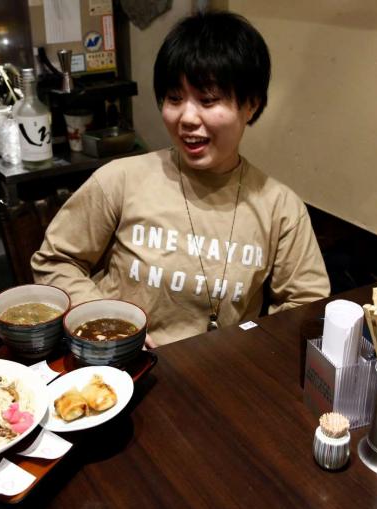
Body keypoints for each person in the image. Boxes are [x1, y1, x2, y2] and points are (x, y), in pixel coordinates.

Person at [32, 10, 330, 347]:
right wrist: (111, 322)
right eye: (174, 98)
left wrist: (250, 351)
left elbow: (307, 304)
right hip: (119, 362)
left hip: (221, 370)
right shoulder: (121, 179)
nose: (186, 117)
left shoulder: (280, 207)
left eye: (208, 100)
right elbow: (56, 261)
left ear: (251, 104)